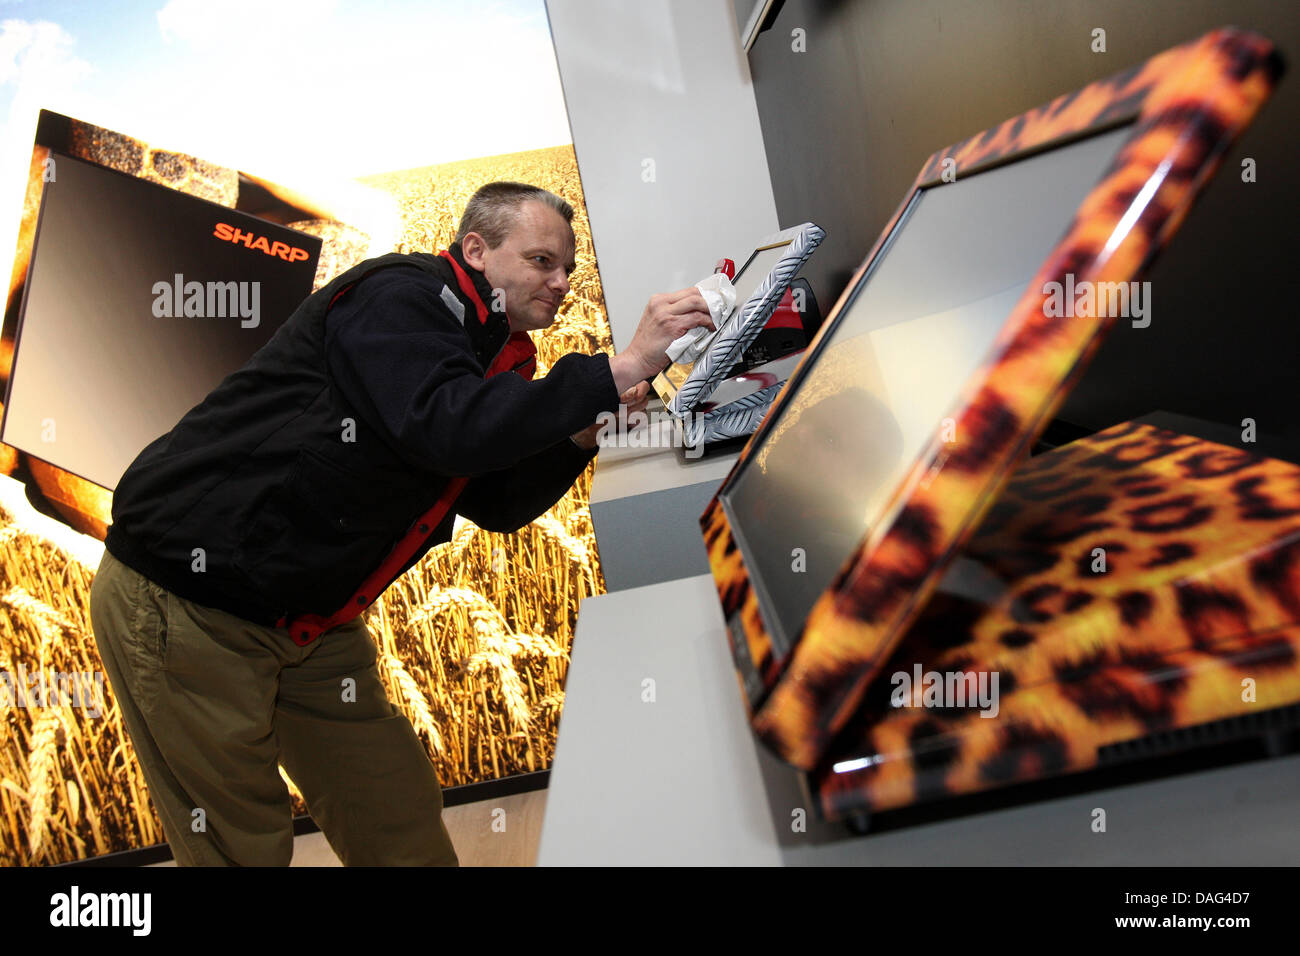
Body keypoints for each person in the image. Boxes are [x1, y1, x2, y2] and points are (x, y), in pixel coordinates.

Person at [88, 181, 713, 866]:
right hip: (188, 606)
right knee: (240, 848)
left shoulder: (497, 349)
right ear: (475, 250)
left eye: (568, 268)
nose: (561, 282)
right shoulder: (400, 298)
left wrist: (581, 434)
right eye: (541, 261)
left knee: (394, 815)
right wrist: (617, 367)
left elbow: (495, 500)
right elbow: (444, 426)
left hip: (312, 622)